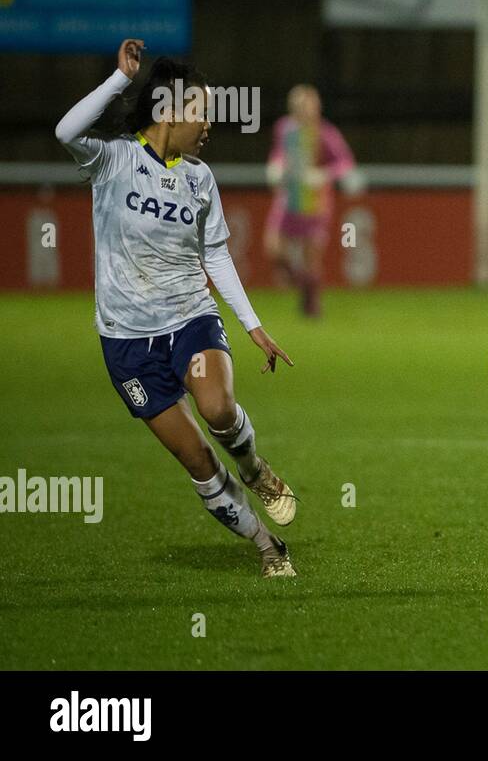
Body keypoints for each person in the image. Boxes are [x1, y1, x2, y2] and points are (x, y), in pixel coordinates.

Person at [56, 39, 299, 578]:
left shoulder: (199, 178)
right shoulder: (113, 160)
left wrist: (253, 327)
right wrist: (120, 80)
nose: (209, 125)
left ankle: (255, 467)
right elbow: (65, 132)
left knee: (217, 409)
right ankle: (266, 545)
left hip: (190, 317)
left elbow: (215, 253)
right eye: (202, 114)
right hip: (125, 343)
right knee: (197, 461)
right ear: (171, 111)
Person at [264, 85, 358, 318]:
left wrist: (323, 174)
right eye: (298, 106)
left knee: (311, 258)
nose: (302, 111)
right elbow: (279, 152)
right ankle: (305, 286)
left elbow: (345, 162)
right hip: (287, 198)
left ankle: (312, 305)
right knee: (274, 249)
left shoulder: (325, 133)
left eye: (307, 106)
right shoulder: (284, 128)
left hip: (315, 202)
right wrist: (275, 165)